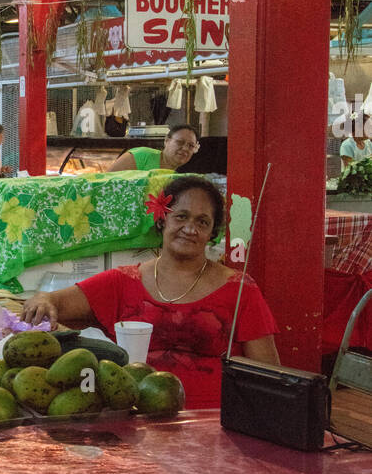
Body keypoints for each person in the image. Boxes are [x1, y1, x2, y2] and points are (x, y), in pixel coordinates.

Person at [21, 174, 279, 409]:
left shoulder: (240, 289)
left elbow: (269, 375)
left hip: (216, 423)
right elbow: (52, 300)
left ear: (212, 232)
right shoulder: (122, 281)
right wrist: (43, 301)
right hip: (135, 419)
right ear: (162, 218)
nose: (190, 229)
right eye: (181, 216)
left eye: (202, 221)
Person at [105, 121, 200, 173]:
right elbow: (107, 183)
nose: (185, 149)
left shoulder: (184, 175)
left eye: (191, 146)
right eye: (180, 142)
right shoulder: (141, 156)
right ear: (167, 141)